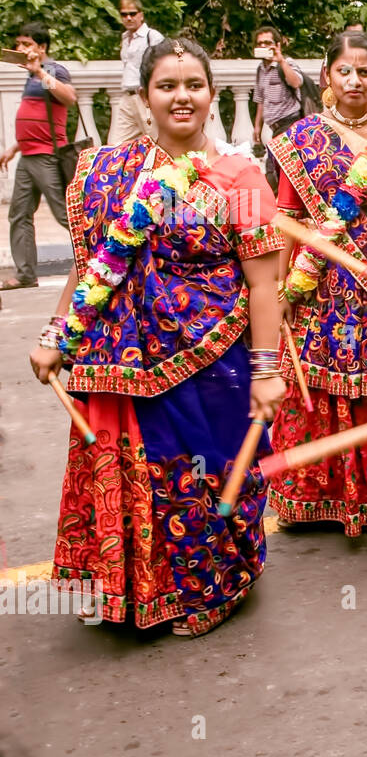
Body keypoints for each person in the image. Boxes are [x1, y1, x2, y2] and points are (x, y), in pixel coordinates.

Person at [28, 37, 286, 635]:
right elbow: (92, 264)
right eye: (166, 86)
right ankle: (130, 591)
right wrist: (57, 334)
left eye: (193, 85)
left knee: (203, 478)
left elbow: (264, 284)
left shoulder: (239, 176)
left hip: (209, 361)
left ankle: (210, 591)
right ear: (144, 98)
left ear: (213, 95)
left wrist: (268, 369)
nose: (181, 97)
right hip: (115, 359)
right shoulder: (107, 172)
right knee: (128, 472)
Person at [270, 31, 367, 538]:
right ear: (326, 78)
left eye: (364, 71)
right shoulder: (301, 140)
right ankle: (314, 497)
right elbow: (286, 217)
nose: (354, 80)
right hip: (319, 280)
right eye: (345, 71)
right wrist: (282, 291)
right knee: (314, 385)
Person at [1, 22, 76, 290]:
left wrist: (40, 72)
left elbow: (69, 97)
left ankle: (105, 259)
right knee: (19, 214)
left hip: (46, 156)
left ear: (41, 48)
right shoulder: (31, 77)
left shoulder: (54, 70)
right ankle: (25, 274)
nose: (20, 49)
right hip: (27, 156)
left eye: (26, 44)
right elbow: (36, 119)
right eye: (18, 44)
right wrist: (13, 149)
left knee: (65, 214)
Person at [252, 24, 304, 191]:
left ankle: (280, 208)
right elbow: (260, 99)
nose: (263, 46)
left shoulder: (286, 63)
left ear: (277, 45)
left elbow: (296, 82)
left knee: (273, 171)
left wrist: (280, 60)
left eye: (267, 43)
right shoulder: (261, 69)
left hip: (289, 125)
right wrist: (257, 128)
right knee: (277, 171)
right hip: (274, 128)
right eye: (259, 43)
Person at [105, 0, 163, 147]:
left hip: (145, 97)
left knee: (158, 143)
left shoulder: (152, 37)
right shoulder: (125, 38)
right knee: (116, 145)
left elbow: (164, 66)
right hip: (127, 97)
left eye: (132, 13)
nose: (128, 18)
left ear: (141, 14)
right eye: (124, 14)